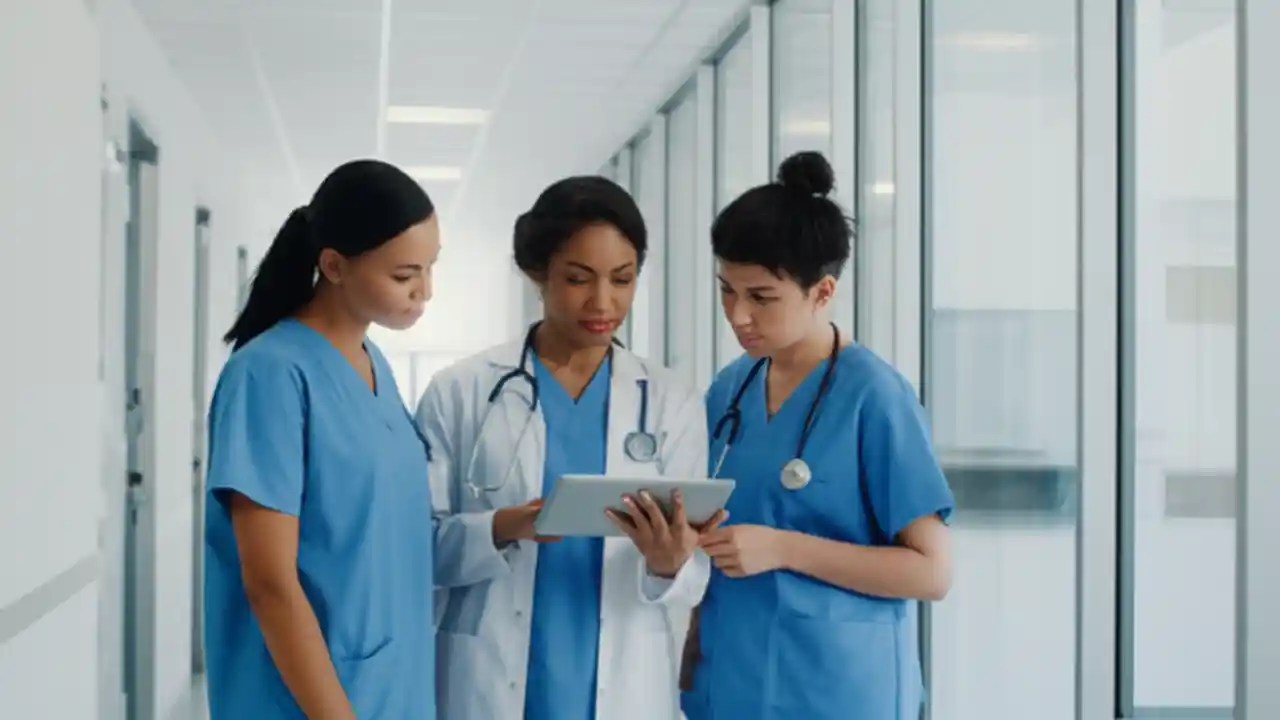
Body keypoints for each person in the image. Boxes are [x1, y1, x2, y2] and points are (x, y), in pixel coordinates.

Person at [415, 175, 721, 720]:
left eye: (622, 279)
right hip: (491, 679)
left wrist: (669, 563)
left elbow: (691, 572)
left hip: (627, 684)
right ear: (538, 271)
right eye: (578, 279)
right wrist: (503, 526)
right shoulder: (461, 391)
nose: (603, 302)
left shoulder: (670, 400)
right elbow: (419, 548)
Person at [679, 151, 955, 720]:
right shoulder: (730, 388)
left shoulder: (875, 396)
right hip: (730, 679)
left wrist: (784, 548)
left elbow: (931, 572)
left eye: (761, 297)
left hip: (836, 689)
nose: (737, 315)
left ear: (822, 292)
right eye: (727, 290)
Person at [203, 159, 440, 719]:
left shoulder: (372, 363)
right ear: (334, 265)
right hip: (310, 701)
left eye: (431, 268)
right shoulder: (269, 374)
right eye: (404, 276)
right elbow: (269, 582)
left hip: (391, 684)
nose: (425, 292)